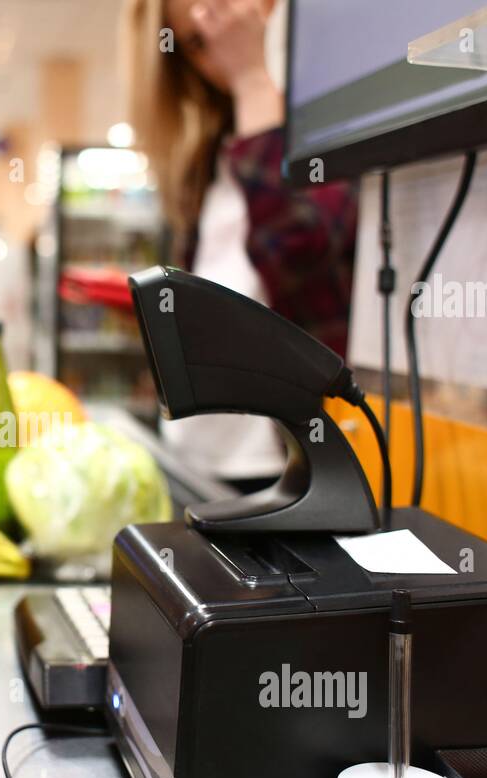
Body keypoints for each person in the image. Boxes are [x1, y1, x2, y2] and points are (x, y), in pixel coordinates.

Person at [123, 0, 358, 487]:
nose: (220, 43)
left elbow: (299, 251)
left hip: (287, 469)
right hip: (200, 459)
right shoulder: (210, 159)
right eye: (195, 40)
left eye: (225, 12)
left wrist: (253, 75)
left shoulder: (329, 123)